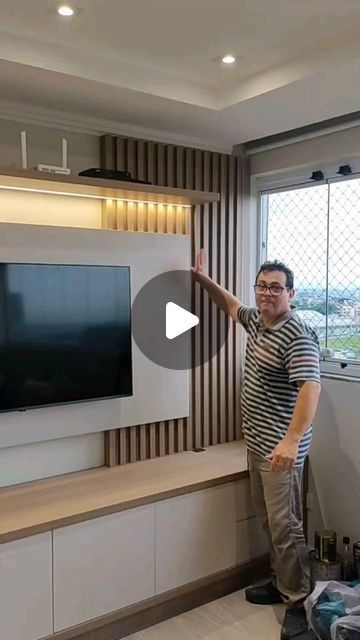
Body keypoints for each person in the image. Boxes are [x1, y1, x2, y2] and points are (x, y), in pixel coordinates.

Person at [191, 250, 321, 629]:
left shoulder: (296, 332)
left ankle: (299, 603)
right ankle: (284, 584)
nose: (267, 293)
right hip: (259, 444)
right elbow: (230, 305)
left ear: (291, 294)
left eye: (276, 288)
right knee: (269, 521)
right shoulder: (258, 321)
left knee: (286, 526)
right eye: (262, 286)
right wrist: (203, 280)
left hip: (281, 452)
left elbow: (310, 387)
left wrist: (292, 442)